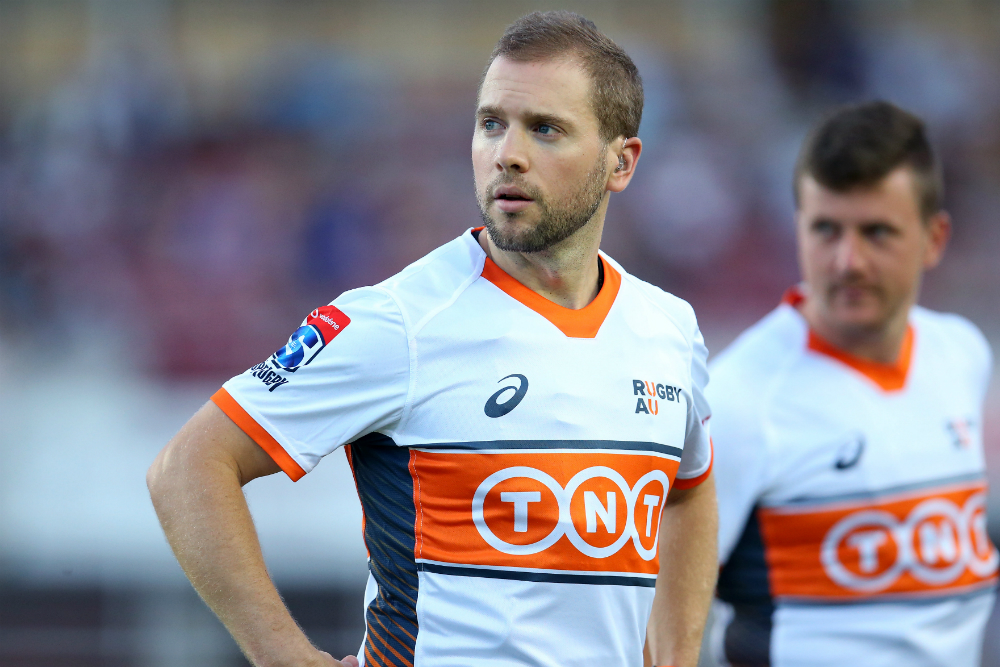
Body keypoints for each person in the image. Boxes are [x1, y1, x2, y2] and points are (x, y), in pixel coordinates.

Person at [147, 11, 718, 667]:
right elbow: (187, 466)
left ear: (621, 162)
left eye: (545, 129)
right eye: (492, 123)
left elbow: (691, 490)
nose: (507, 153)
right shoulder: (399, 322)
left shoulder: (669, 328)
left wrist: (676, 656)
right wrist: (285, 656)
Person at [708, 100, 998, 667]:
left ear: (934, 238)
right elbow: (649, 615)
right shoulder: (735, 402)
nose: (848, 261)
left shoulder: (961, 354)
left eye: (877, 232)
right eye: (826, 229)